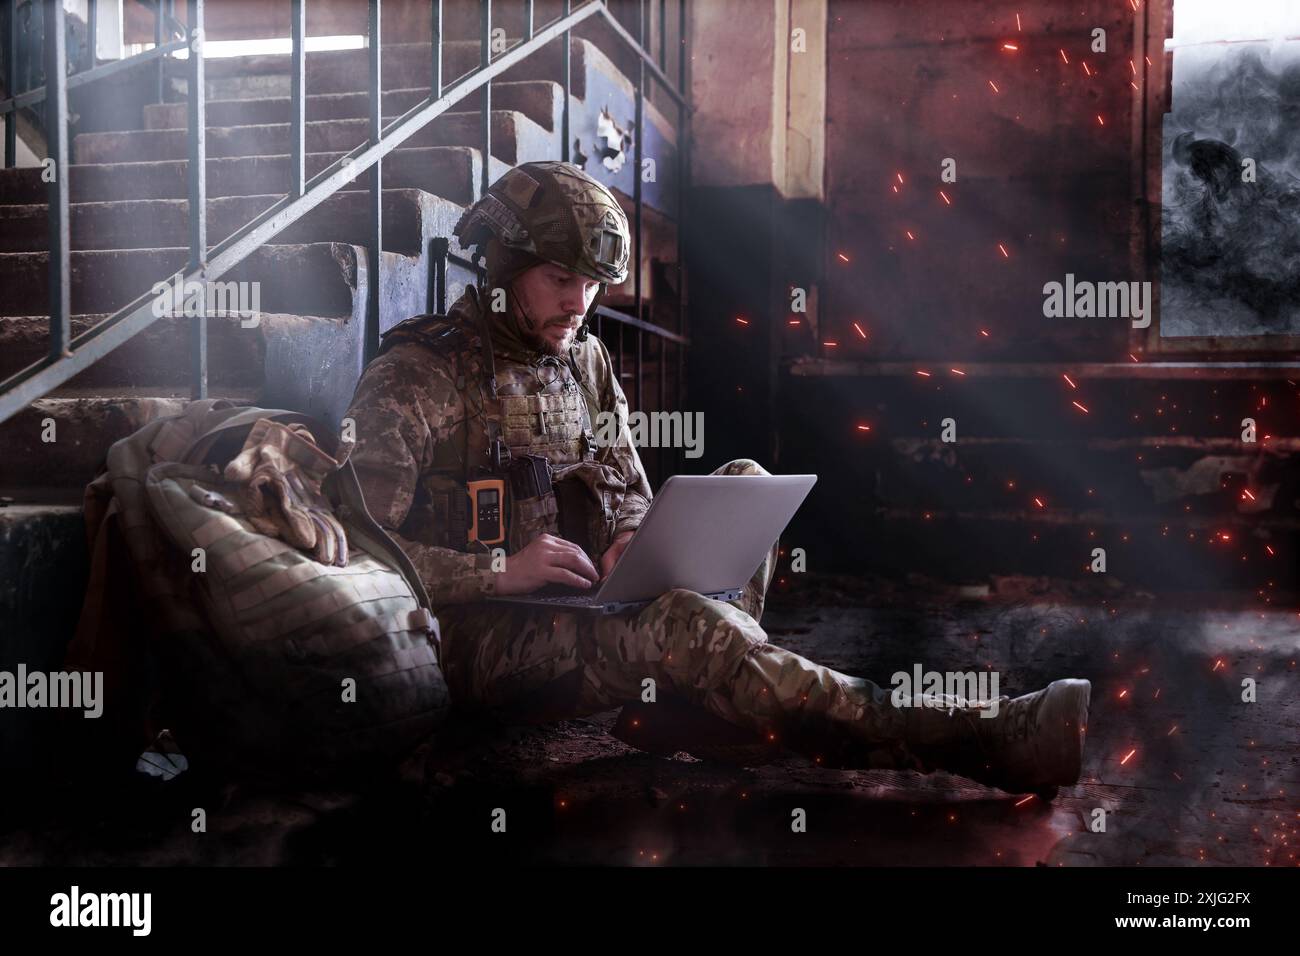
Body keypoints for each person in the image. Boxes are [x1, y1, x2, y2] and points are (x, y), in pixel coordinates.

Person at [342, 161, 1091, 797]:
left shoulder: (584, 359)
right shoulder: (418, 373)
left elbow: (624, 478)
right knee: (688, 626)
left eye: (594, 283)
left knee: (742, 480)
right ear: (504, 268)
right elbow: (353, 561)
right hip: (477, 641)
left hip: (580, 605)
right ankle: (978, 737)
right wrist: (495, 572)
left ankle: (691, 702)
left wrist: (633, 538)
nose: (579, 303)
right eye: (559, 277)